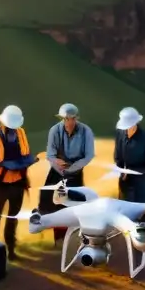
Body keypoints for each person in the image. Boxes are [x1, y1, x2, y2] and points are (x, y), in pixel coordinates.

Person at [0, 104, 37, 261]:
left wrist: (26, 165)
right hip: (0, 185)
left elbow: (25, 154)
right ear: (2, 122)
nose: (12, 129)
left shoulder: (21, 133)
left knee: (13, 218)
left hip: (18, 184)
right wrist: (8, 170)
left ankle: (11, 249)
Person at [40, 103, 95, 246]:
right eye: (63, 119)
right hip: (57, 172)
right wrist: (58, 164)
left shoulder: (86, 132)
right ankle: (58, 239)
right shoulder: (54, 130)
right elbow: (50, 154)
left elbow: (88, 156)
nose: (66, 122)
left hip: (75, 173)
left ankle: (72, 238)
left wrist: (71, 169)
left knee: (74, 207)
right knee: (52, 205)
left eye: (69, 119)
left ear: (75, 118)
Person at [113, 106, 145, 204]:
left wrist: (132, 171)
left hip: (141, 188)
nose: (126, 129)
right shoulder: (120, 135)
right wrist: (122, 171)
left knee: (141, 216)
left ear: (135, 124)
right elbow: (118, 157)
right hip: (124, 186)